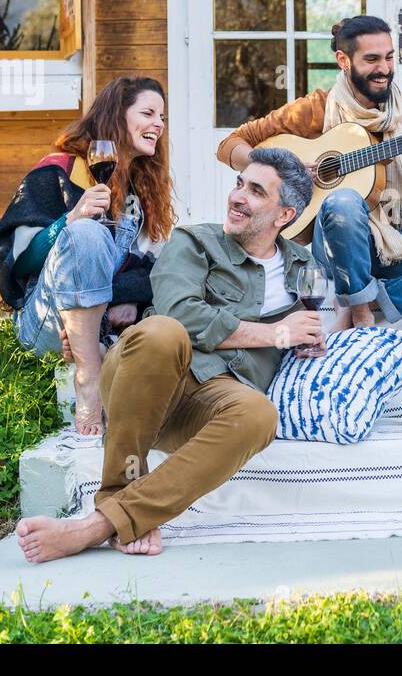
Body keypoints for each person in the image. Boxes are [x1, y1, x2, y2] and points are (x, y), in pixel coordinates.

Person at [16, 148, 320, 562]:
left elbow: (323, 324)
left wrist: (313, 337)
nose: (236, 196)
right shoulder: (195, 241)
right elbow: (182, 314)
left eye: (255, 191)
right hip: (147, 379)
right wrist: (277, 333)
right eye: (238, 183)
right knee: (164, 331)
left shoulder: (304, 267)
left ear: (284, 215)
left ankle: (101, 524)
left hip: (214, 398)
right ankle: (117, 490)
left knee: (260, 416)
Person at [216, 15, 402, 331]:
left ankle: (371, 302)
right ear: (344, 60)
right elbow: (230, 145)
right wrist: (279, 164)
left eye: (389, 57)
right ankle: (359, 312)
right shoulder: (316, 108)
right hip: (332, 243)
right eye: (372, 59)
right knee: (344, 200)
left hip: (395, 240)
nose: (384, 69)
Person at [0, 76, 174, 436]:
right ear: (116, 116)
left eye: (163, 117)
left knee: (184, 252)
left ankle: (94, 346)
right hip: (46, 321)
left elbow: (154, 268)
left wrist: (132, 303)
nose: (159, 125)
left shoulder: (143, 187)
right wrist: (69, 220)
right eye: (148, 113)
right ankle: (89, 377)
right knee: (86, 232)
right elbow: (19, 262)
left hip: (99, 322)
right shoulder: (59, 169)